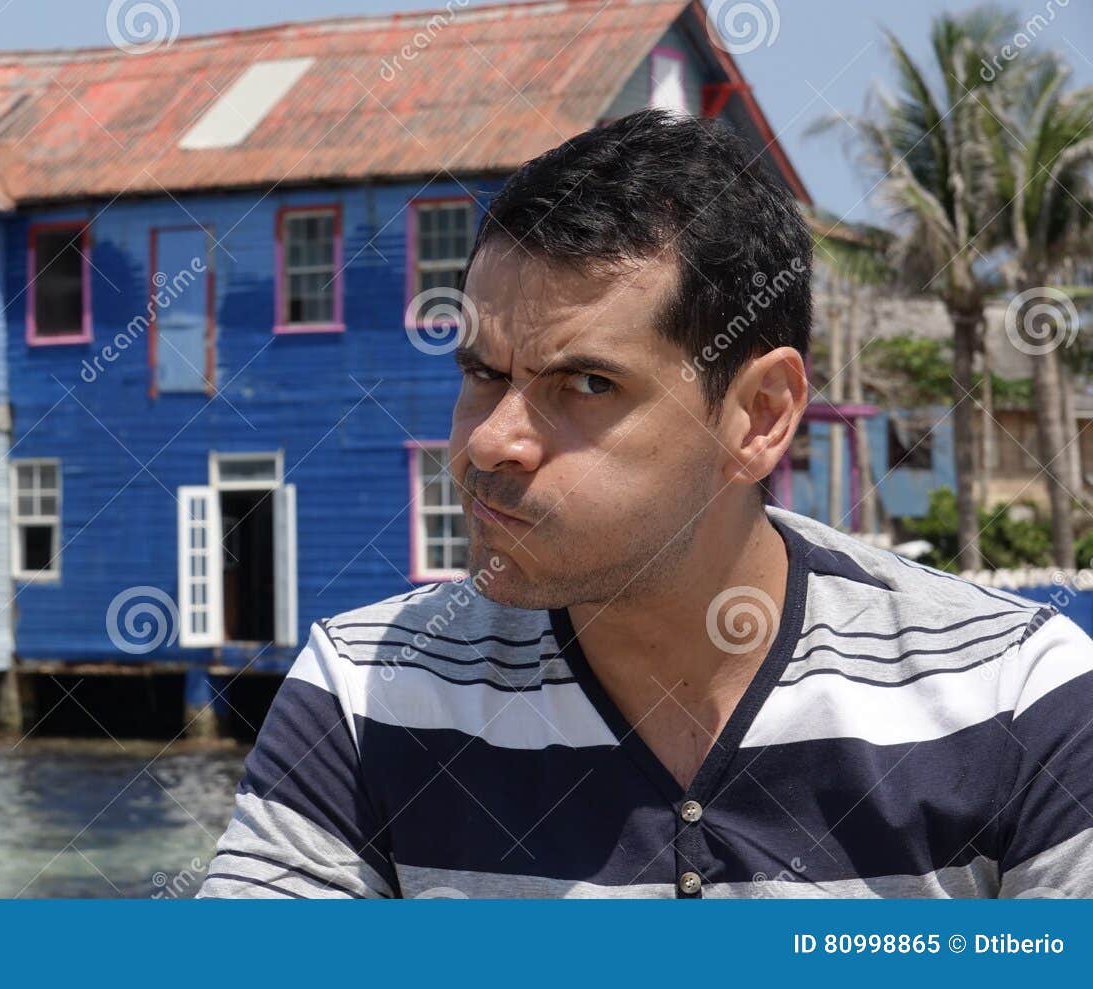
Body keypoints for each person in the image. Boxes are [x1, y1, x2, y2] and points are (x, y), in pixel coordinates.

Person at [198, 108, 1093, 898]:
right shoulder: (368, 696)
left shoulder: (1012, 703)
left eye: (586, 383)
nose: (489, 442)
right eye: (481, 374)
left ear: (760, 416)